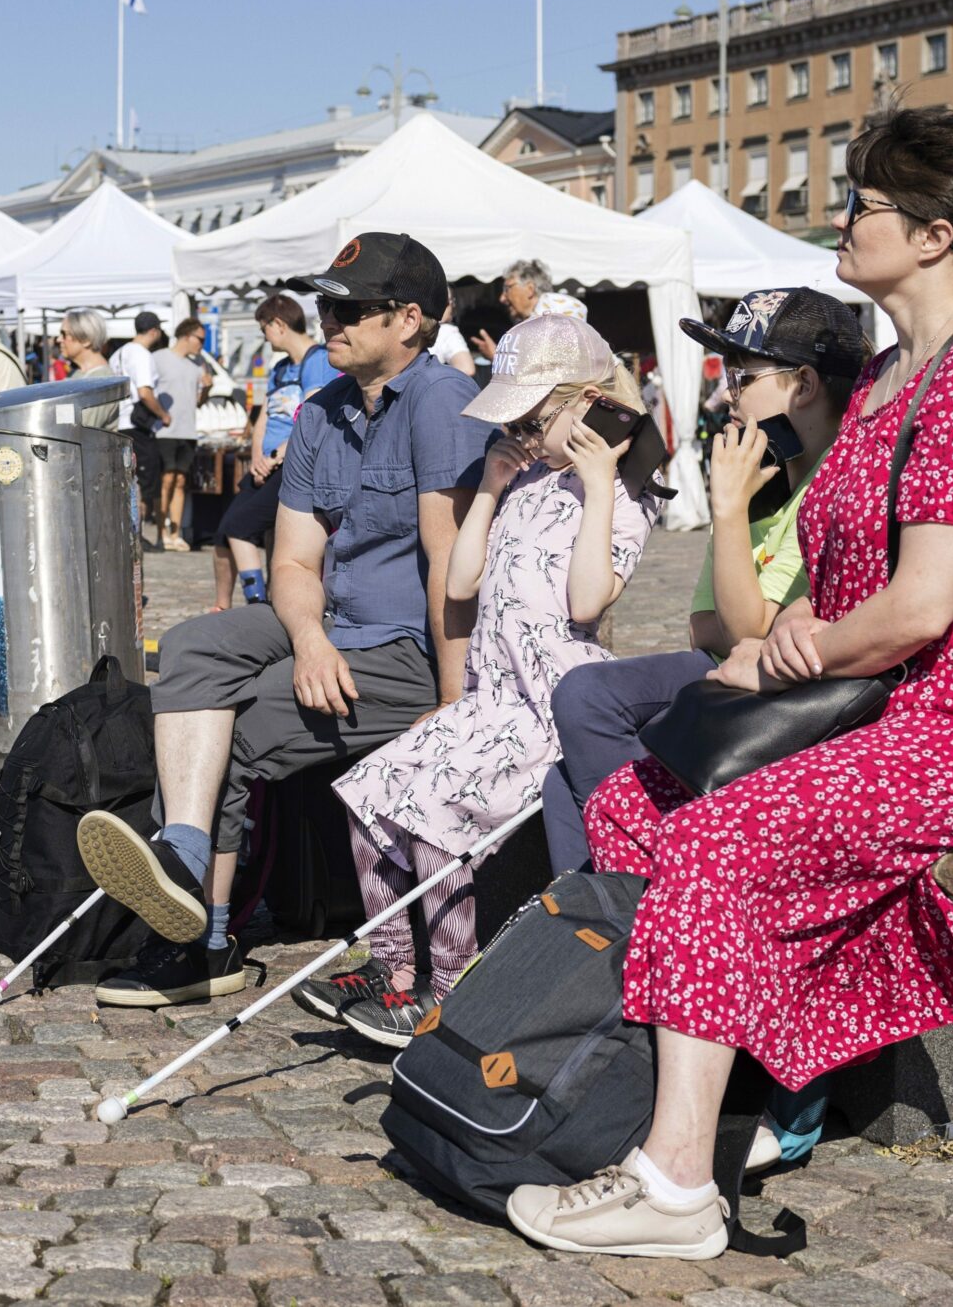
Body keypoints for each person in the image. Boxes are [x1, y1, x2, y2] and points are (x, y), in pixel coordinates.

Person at [506, 106, 953, 1260]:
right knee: (632, 804)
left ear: (933, 236)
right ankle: (646, 1096)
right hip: (873, 711)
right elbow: (846, 582)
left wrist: (794, 652)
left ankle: (675, 1184)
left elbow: (918, 610)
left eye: (864, 205)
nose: (842, 221)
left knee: (716, 838)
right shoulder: (888, 377)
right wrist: (773, 641)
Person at [73, 233, 490, 1007]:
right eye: (326, 305)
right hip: (335, 622)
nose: (328, 320)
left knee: (242, 723)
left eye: (349, 309)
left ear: (408, 319)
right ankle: (183, 857)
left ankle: (204, 942)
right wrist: (308, 638)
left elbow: (450, 569)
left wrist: (454, 704)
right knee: (193, 644)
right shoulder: (322, 412)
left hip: (411, 649)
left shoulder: (441, 401)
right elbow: (294, 562)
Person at [308, 315, 660, 1045]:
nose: (521, 435)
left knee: (438, 809)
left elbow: (587, 602)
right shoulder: (526, 479)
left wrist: (599, 486)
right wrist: (494, 487)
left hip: (550, 706)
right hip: (489, 696)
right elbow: (461, 583)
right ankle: (392, 967)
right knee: (368, 788)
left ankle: (449, 988)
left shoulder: (628, 498)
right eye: (514, 422)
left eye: (533, 420)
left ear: (587, 404)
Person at [543, 288, 866, 873]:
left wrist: (728, 508)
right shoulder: (763, 480)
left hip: (784, 697)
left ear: (805, 384)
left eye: (742, 377)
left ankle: (658, 883)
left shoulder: (830, 486)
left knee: (586, 695)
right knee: (561, 782)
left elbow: (742, 630)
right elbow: (703, 626)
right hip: (721, 673)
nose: (727, 394)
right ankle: (597, 913)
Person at [211, 294, 335, 609]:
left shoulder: (317, 360)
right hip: (266, 465)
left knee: (240, 528)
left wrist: (278, 454)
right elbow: (263, 417)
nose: (264, 337)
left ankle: (257, 605)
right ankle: (223, 605)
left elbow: (313, 417)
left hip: (291, 464)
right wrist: (257, 456)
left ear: (278, 324)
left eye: (264, 328)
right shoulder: (279, 369)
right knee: (224, 531)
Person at [150, 317, 207, 552]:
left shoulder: (197, 364)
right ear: (187, 336)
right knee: (166, 480)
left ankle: (175, 533)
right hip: (164, 430)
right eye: (200, 339)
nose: (202, 344)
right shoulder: (159, 358)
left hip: (188, 430)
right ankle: (161, 532)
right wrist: (160, 414)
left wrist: (208, 387)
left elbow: (198, 401)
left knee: (181, 481)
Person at [114, 312, 169, 546]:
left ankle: (130, 534)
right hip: (138, 426)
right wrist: (163, 414)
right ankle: (140, 536)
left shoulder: (118, 353)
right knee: (145, 483)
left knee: (127, 481)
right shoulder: (142, 354)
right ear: (154, 331)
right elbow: (145, 392)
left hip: (119, 425)